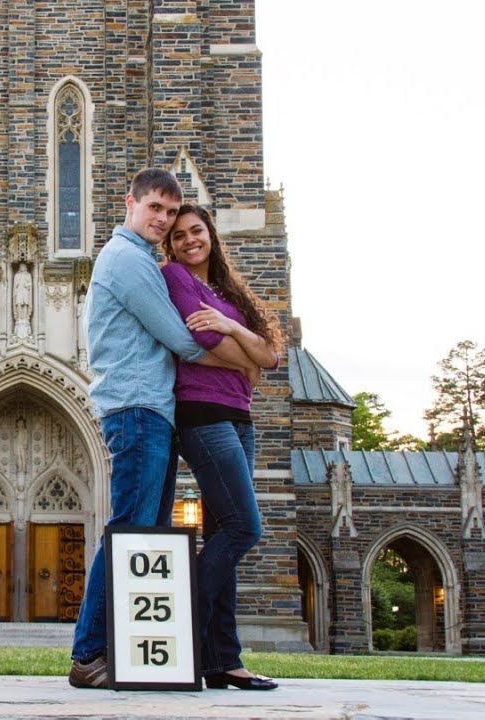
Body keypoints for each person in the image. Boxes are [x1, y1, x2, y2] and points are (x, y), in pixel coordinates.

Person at [68, 169, 257, 689]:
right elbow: (183, 340)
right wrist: (250, 358)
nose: (163, 220)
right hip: (135, 408)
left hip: (153, 410)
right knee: (128, 531)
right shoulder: (128, 260)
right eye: (155, 208)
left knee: (142, 534)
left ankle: (124, 650)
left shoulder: (144, 259)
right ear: (131, 203)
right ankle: (88, 655)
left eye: (171, 213)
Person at [160, 203, 284, 691]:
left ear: (210, 233)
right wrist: (242, 357)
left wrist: (235, 329)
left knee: (222, 536)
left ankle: (223, 661)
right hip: (202, 413)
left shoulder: (228, 290)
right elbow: (202, 338)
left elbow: (270, 357)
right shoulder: (175, 278)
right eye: (178, 235)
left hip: (240, 418)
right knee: (242, 527)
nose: (189, 240)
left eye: (196, 231)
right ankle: (181, 610)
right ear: (169, 245)